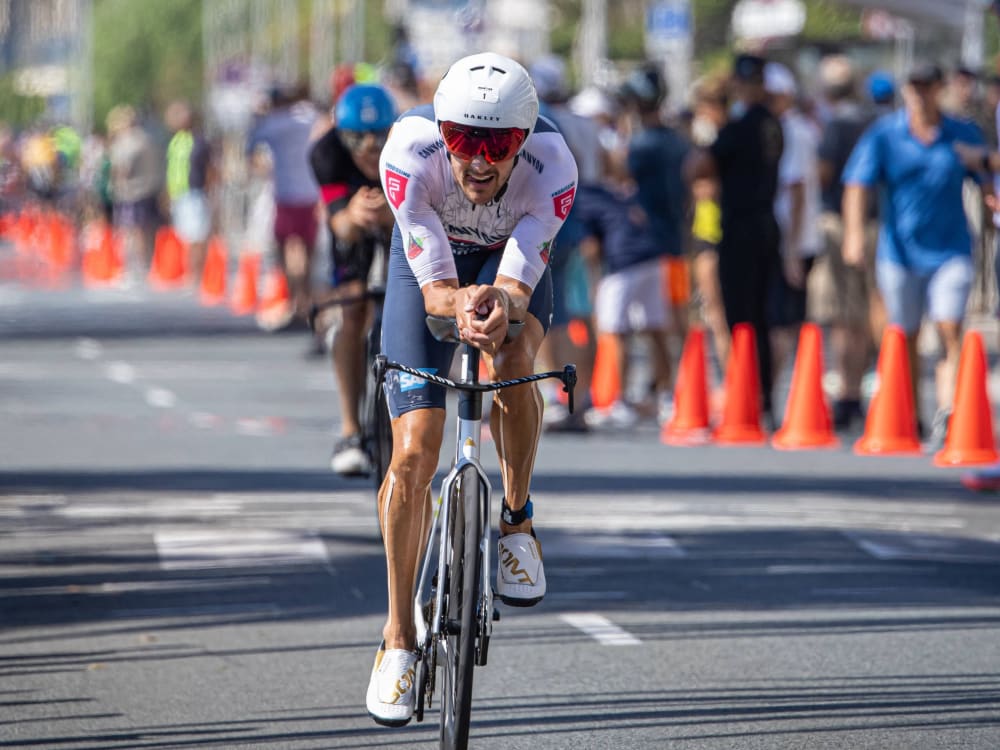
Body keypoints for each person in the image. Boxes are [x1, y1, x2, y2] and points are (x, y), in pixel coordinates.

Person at [366, 52, 577, 726]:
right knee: (412, 450)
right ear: (442, 132)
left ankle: (515, 517)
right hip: (429, 264)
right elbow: (432, 295)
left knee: (515, 354)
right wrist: (458, 304)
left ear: (523, 143)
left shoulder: (554, 168)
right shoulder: (408, 153)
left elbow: (515, 290)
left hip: (508, 255)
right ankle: (398, 635)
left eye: (499, 146)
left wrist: (498, 306)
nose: (480, 162)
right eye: (464, 141)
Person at [842, 61, 989, 449]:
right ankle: (911, 412)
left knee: (949, 328)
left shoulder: (960, 133)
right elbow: (857, 184)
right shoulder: (885, 135)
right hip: (900, 253)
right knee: (904, 335)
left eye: (927, 85)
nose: (920, 93)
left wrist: (983, 165)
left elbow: (988, 177)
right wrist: (854, 235)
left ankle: (947, 410)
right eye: (914, 85)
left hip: (951, 249)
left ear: (940, 88)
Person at [685, 54, 784, 428]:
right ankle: (765, 398)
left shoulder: (741, 126)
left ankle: (748, 397)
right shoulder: (773, 124)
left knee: (739, 316)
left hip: (741, 227)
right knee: (759, 315)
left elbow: (700, 167)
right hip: (765, 223)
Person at [308, 84, 397, 476]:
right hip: (352, 222)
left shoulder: (409, 146)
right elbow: (338, 224)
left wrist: (391, 216)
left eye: (378, 136)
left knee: (407, 303)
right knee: (352, 308)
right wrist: (356, 217)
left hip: (403, 220)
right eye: (356, 138)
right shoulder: (326, 152)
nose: (368, 147)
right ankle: (350, 428)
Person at [814, 55, 880, 431]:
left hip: (842, 224)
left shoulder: (837, 125)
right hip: (873, 223)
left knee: (844, 314)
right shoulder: (874, 122)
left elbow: (824, 173)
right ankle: (875, 381)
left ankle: (850, 392)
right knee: (871, 307)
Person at [765, 62, 822, 392]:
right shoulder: (783, 129)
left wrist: (790, 252)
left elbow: (797, 192)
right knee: (779, 322)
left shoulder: (792, 132)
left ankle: (766, 393)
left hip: (790, 243)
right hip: (786, 241)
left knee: (781, 323)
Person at [246, 83, 320, 323]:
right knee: (307, 251)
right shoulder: (309, 118)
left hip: (286, 194)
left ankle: (295, 300)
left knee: (287, 249)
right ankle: (305, 300)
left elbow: (251, 147)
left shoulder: (273, 123)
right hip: (311, 192)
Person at [164, 101, 215, 284]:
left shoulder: (199, 140)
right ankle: (190, 270)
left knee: (197, 234)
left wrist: (209, 190)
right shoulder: (175, 141)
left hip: (196, 191)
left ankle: (196, 273)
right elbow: (171, 169)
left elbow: (210, 168)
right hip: (180, 193)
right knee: (186, 235)